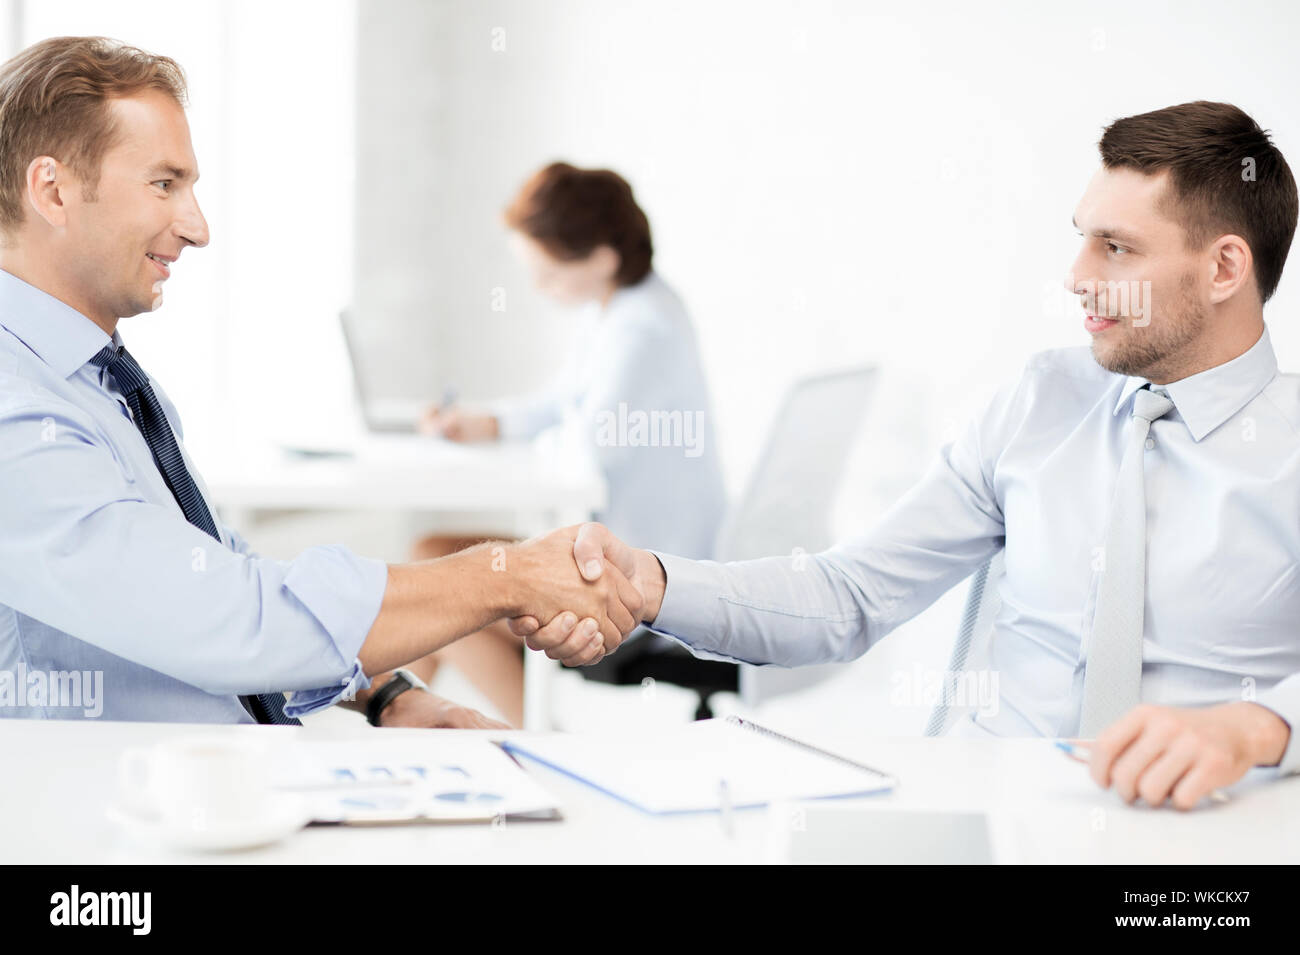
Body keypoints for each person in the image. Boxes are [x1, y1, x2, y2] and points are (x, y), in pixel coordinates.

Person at [547, 101, 1300, 811]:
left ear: (1225, 269)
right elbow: (850, 596)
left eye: (1116, 247)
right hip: (993, 816)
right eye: (1081, 237)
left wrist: (1256, 727)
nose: (1076, 277)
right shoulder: (1041, 402)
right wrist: (653, 585)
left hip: (1199, 839)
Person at [0, 36, 642, 730]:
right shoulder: (18, 409)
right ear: (53, 190)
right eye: (164, 183)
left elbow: (217, 566)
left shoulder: (104, 381)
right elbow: (228, 618)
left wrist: (387, 693)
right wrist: (503, 574)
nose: (198, 226)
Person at [411, 162, 726, 726]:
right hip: (626, 548)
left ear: (601, 258)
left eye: (548, 275)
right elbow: (566, 401)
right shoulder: (626, 307)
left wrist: (526, 442)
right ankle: (397, 733)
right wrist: (487, 423)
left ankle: (539, 744)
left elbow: (588, 448)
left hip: (636, 576)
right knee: (436, 562)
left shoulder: (640, 332)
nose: (537, 288)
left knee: (442, 577)